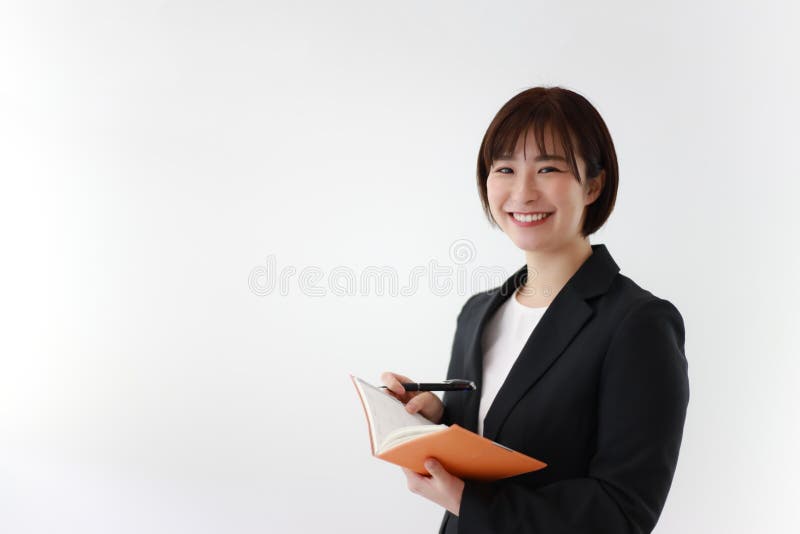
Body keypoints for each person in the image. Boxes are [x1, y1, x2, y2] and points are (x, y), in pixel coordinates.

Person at [380, 86, 689, 533]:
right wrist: (435, 420)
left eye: (548, 168)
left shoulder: (637, 324)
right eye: (504, 168)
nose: (522, 192)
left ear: (594, 185)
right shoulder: (478, 313)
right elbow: (494, 444)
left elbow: (624, 512)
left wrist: (472, 502)